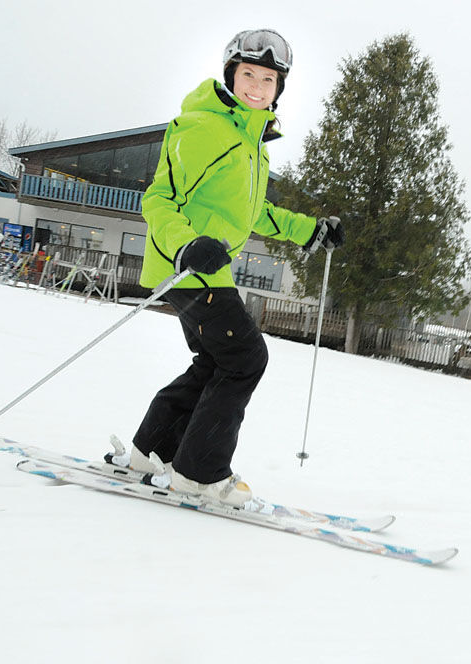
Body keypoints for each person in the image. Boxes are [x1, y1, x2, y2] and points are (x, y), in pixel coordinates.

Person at [128, 29, 344, 507]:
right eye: (248, 74)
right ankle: (200, 474)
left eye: (268, 79)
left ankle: (152, 452)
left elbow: (253, 213)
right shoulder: (204, 128)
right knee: (246, 359)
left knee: (215, 361)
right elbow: (159, 197)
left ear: (278, 89)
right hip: (190, 268)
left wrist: (310, 230)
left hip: (201, 271)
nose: (257, 86)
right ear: (230, 75)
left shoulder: (251, 142)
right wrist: (187, 245)